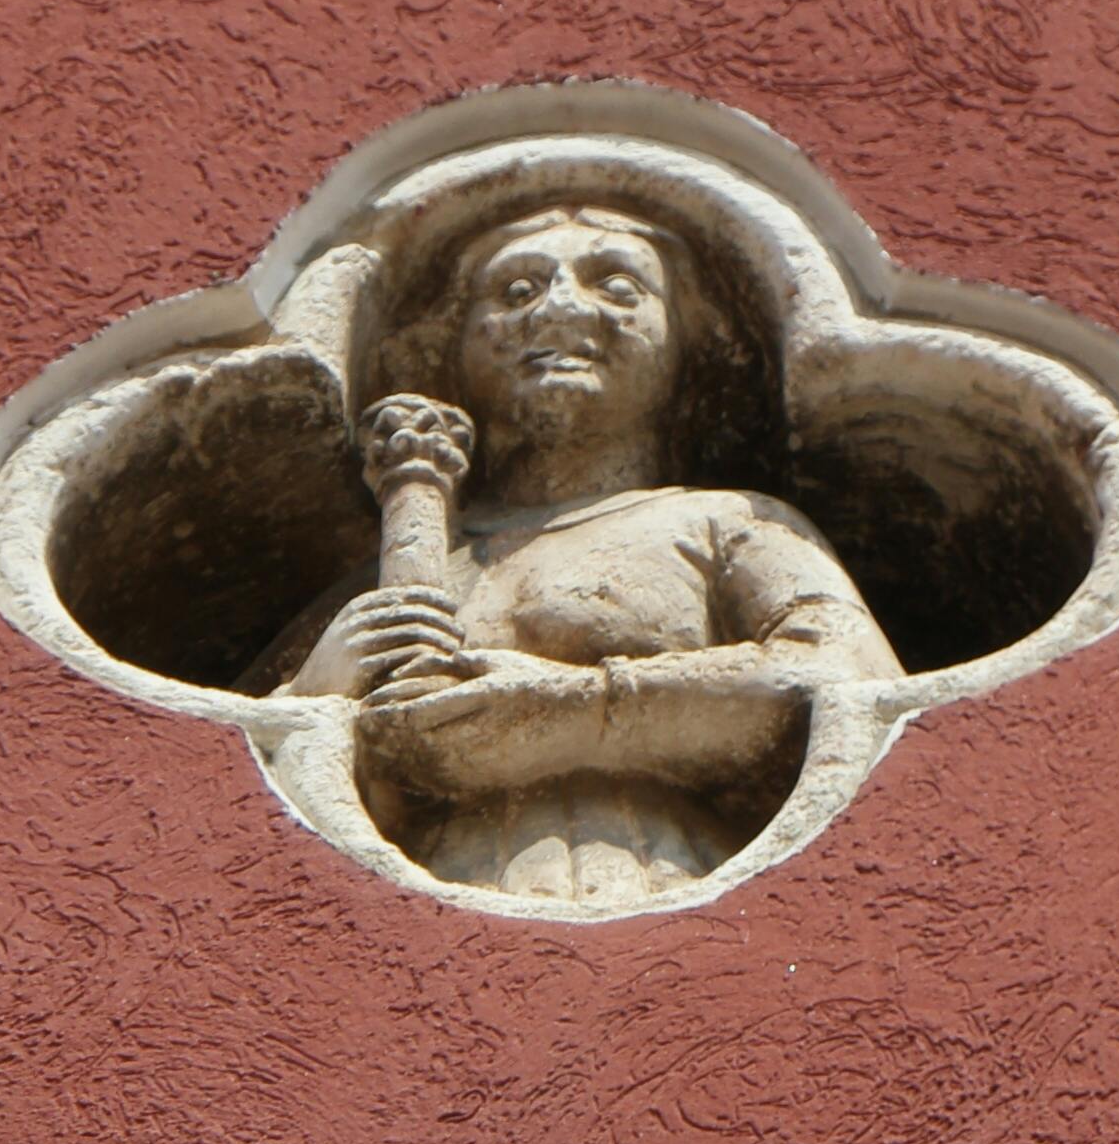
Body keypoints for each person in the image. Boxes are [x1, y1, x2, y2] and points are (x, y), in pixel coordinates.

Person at [271, 198, 897, 903]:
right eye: (516, 291)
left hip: (660, 874)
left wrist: (575, 711)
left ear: (684, 341)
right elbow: (240, 765)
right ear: (458, 340)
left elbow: (853, 678)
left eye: (618, 287)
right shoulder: (404, 569)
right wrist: (316, 687)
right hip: (424, 895)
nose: (560, 310)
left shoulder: (726, 522)